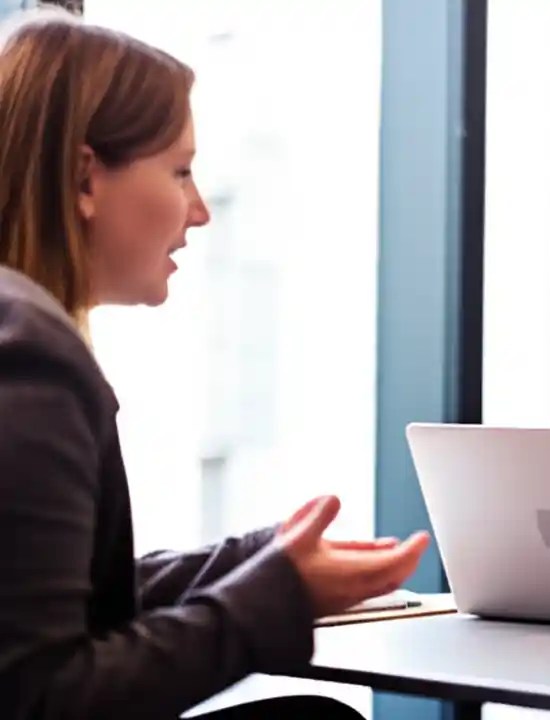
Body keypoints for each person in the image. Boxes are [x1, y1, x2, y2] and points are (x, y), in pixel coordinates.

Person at [0, 9, 429, 719]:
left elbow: (54, 596)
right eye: (180, 170)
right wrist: (274, 602)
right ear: (84, 180)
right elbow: (48, 698)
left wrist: (259, 563)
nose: (198, 211)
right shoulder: (34, 361)